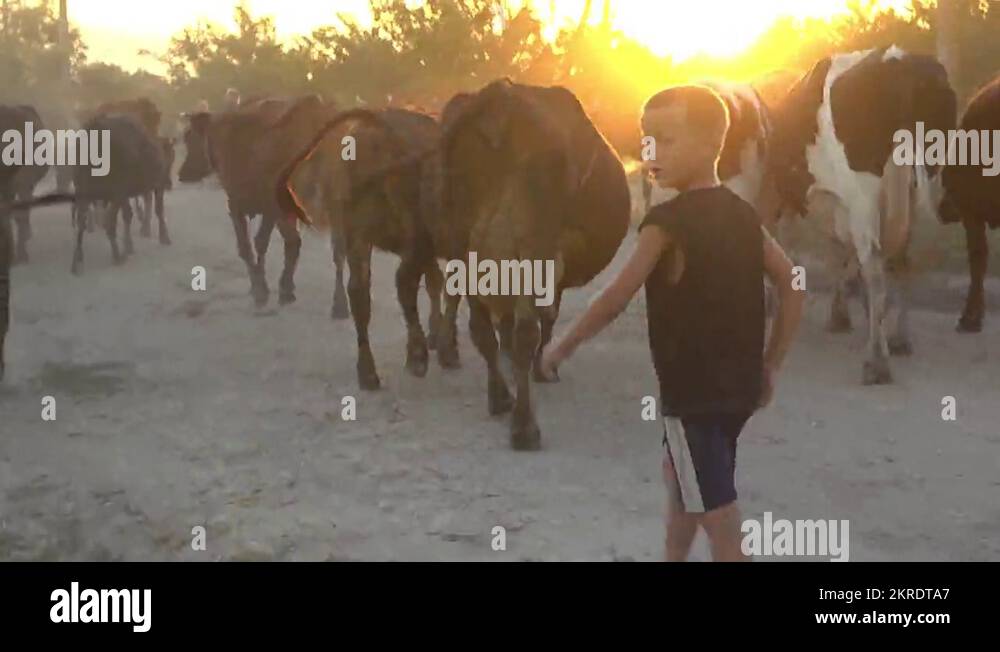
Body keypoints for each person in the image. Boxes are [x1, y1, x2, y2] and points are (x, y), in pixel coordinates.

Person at [540, 85, 805, 561]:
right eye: (646, 140)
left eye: (664, 140)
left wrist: (561, 346)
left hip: (693, 398)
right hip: (739, 391)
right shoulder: (746, 216)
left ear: (709, 146)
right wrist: (771, 365)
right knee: (685, 480)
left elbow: (615, 298)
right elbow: (793, 285)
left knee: (722, 526)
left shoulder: (666, 222)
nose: (649, 152)